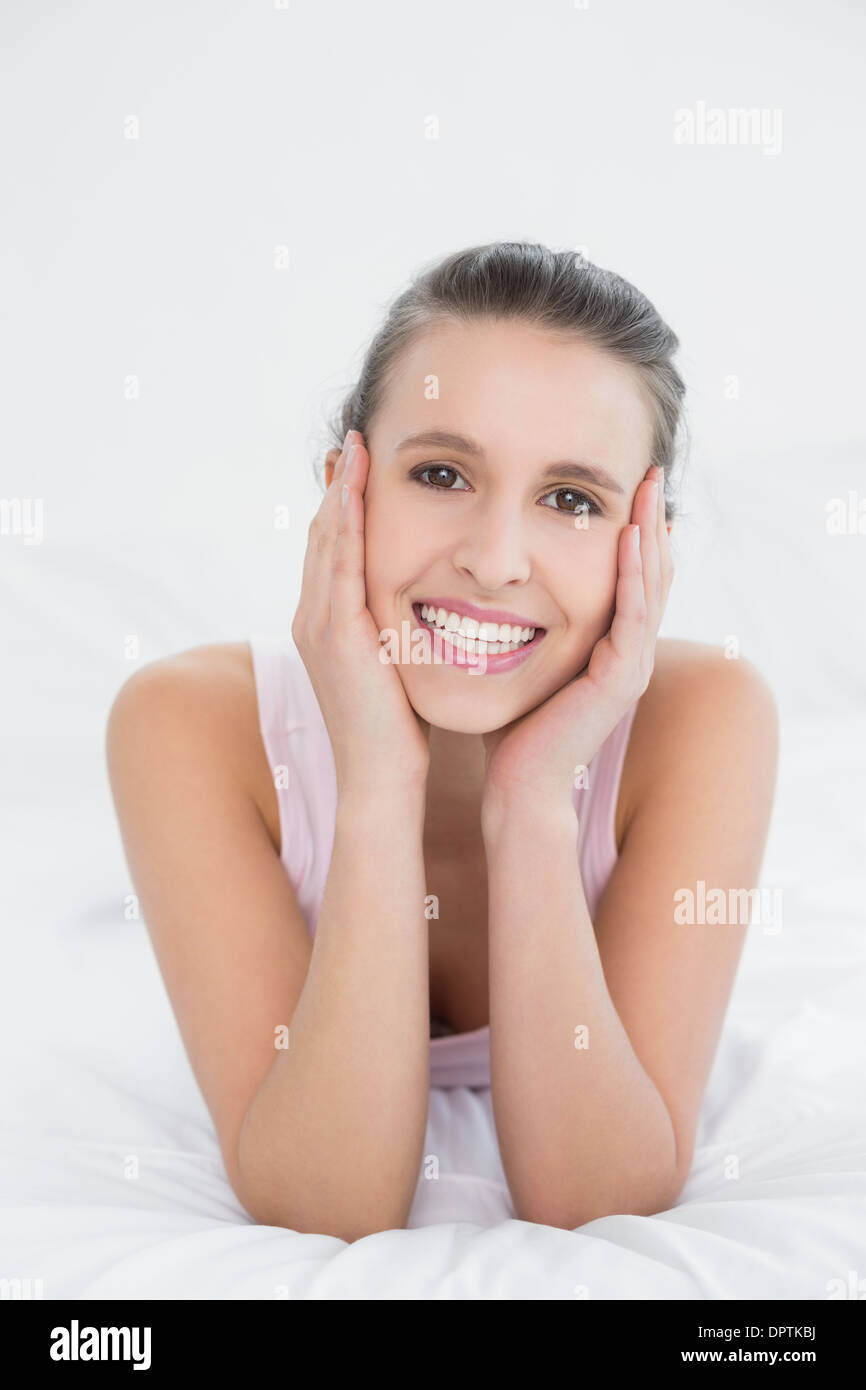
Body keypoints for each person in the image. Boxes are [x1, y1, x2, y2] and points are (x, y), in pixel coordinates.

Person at [106, 242, 778, 1243]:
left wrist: (533, 798)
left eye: (570, 500)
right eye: (440, 472)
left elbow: (595, 1198)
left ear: (647, 546)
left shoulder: (705, 719)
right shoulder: (184, 726)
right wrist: (377, 781)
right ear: (347, 488)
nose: (493, 560)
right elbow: (325, 1202)